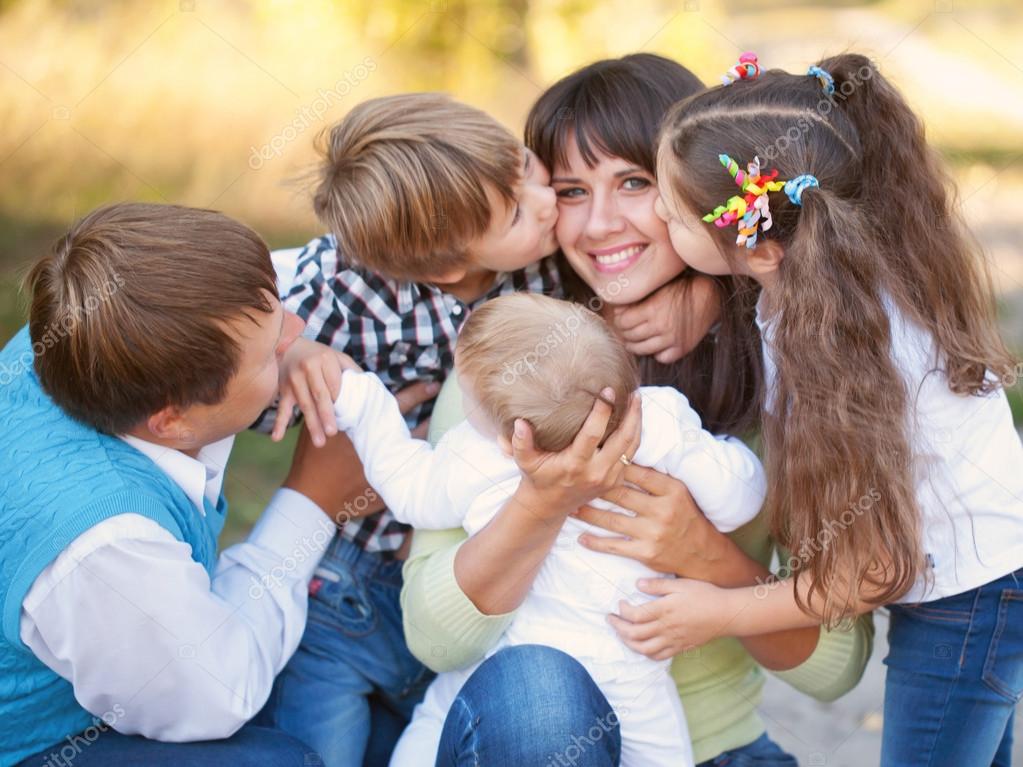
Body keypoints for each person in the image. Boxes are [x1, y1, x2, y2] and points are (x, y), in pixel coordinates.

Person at [401, 54, 874, 767]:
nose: (598, 224)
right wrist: (541, 503)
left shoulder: (784, 363)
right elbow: (432, 639)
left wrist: (699, 552)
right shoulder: (512, 362)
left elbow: (833, 666)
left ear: (696, 185)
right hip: (532, 735)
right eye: (570, 190)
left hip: (711, 748)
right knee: (543, 688)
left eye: (633, 183)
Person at [652, 52, 1023, 766]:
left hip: (972, 598)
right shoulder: (826, 272)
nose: (659, 219)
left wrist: (721, 611)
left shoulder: (839, 353)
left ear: (759, 248)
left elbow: (869, 570)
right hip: (985, 573)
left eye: (673, 214)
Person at [318, 293, 764, 765]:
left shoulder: (478, 456)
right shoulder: (655, 423)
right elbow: (739, 501)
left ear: (511, 437)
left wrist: (361, 401)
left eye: (466, 398)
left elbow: (409, 489)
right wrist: (716, 452)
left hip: (514, 662)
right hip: (631, 674)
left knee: (435, 731)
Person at [0, 203, 330, 766]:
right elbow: (216, 696)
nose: (298, 331)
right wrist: (314, 498)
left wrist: (279, 344)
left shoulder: (84, 337)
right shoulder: (106, 545)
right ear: (172, 421)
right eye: (269, 351)